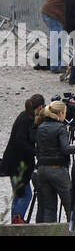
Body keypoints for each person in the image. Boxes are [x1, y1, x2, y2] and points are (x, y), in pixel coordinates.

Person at [1, 95, 44, 224]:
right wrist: (36, 152)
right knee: (26, 195)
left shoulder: (24, 116)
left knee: (19, 194)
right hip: (18, 165)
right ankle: (18, 220)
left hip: (14, 163)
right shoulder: (26, 120)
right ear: (40, 107)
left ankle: (16, 221)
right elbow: (21, 143)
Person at [31, 101, 75, 223]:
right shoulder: (60, 127)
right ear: (61, 113)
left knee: (49, 208)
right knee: (70, 205)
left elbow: (38, 150)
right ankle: (72, 231)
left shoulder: (40, 126)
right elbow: (65, 149)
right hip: (57, 169)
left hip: (42, 170)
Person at [41, 0, 73, 75]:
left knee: (57, 40)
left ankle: (55, 64)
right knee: (57, 41)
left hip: (51, 13)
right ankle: (55, 66)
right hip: (54, 15)